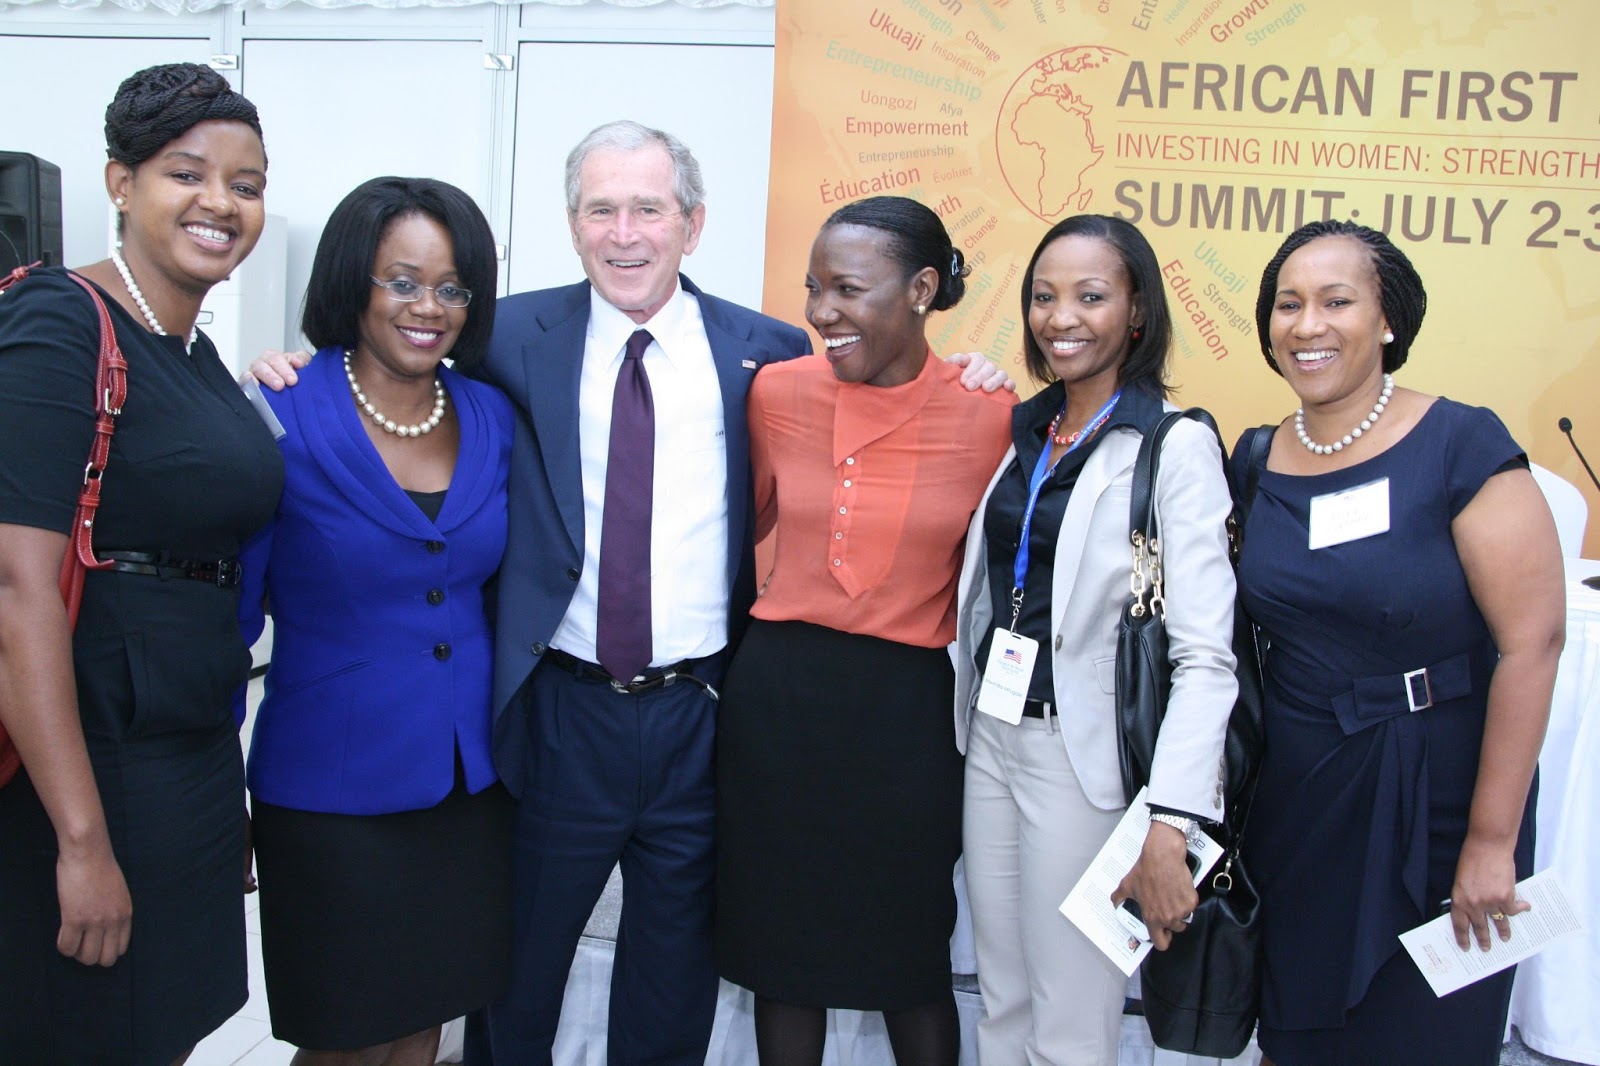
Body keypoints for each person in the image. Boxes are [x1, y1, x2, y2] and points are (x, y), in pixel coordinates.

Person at [250, 120, 1007, 1064]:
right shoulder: (505, 337)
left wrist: (977, 373)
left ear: (693, 223)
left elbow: (892, 398)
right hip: (559, 710)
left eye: (648, 208)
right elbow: (388, 370)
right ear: (572, 224)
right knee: (516, 971)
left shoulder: (767, 353)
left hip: (704, 714)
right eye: (600, 209)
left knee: (672, 976)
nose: (624, 234)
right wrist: (292, 367)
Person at [0, 63, 283, 1063]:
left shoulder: (193, 353)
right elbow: (17, 588)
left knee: (159, 1028)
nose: (222, 203)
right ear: (121, 183)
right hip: (92, 765)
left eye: (246, 185)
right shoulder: (59, 320)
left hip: (190, 752)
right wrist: (81, 842)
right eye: (186, 174)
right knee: (85, 1031)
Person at [1234, 219, 1563, 1066]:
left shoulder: (1461, 443)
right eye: (1288, 305)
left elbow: (1533, 643)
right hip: (1302, 806)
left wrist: (1491, 841)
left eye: (1336, 301)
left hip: (1444, 804)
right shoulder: (1256, 461)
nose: (1307, 325)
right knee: (1300, 1037)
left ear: (1388, 320)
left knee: (1427, 1039)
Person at [713, 196, 1015, 1065]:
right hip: (779, 700)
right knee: (781, 952)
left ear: (921, 290)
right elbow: (739, 526)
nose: (820, 312)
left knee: (908, 956)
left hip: (909, 716)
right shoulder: (775, 393)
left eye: (847, 289)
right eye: (814, 288)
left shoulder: (993, 413)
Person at [237, 177, 514, 1066]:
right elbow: (227, 625)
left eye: (452, 287)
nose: (428, 307)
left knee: (426, 1024)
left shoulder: (491, 414)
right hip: (329, 786)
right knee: (344, 1038)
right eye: (402, 281)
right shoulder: (277, 410)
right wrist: (215, 792)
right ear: (352, 280)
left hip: (467, 784)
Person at [951, 214, 1239, 1064]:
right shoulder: (1030, 430)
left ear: (1137, 311)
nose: (1061, 317)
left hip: (1083, 762)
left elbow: (1205, 656)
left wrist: (1172, 819)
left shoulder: (1174, 445)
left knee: (1071, 1020)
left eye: (1090, 296)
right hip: (992, 736)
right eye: (1044, 297)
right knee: (1000, 1001)